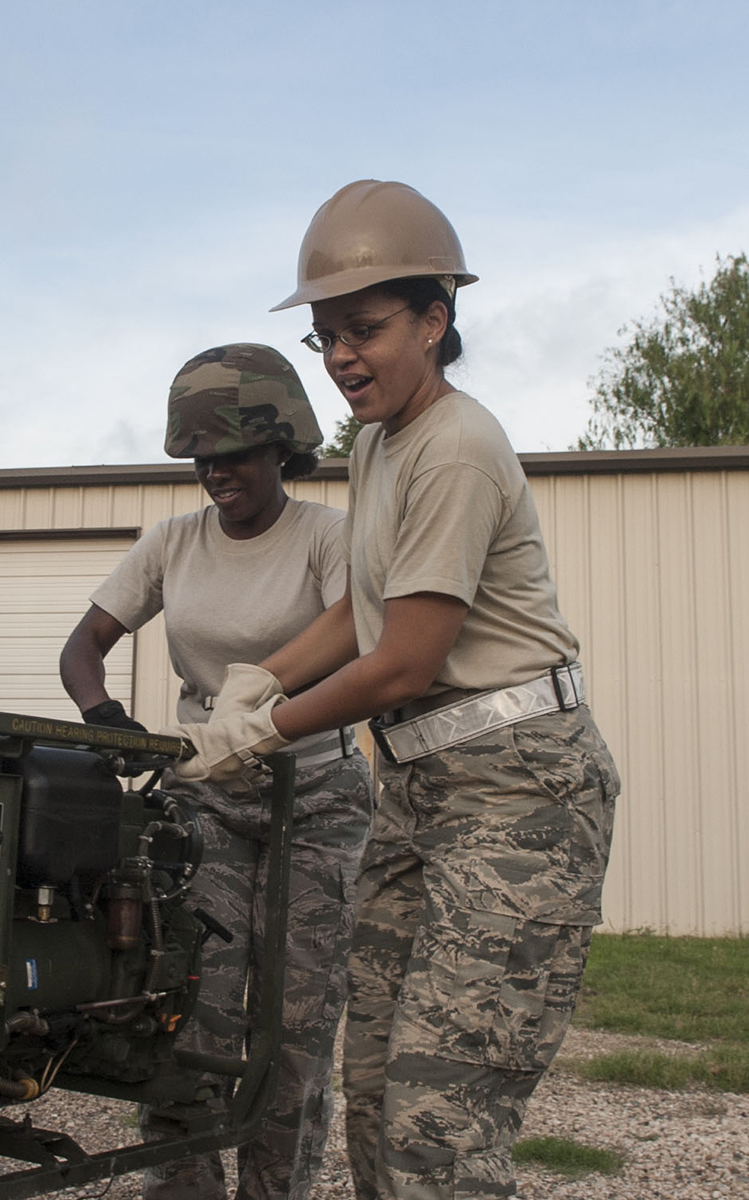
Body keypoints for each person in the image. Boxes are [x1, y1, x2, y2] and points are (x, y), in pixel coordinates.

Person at [163, 181, 620, 1200]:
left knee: (437, 1122)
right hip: (415, 792)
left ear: (435, 320)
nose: (341, 359)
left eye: (363, 331)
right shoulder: (378, 446)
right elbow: (367, 611)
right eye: (327, 337)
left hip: (518, 795)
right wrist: (261, 677)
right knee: (369, 1092)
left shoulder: (455, 445)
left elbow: (407, 658)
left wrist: (261, 732)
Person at [59, 344, 371, 1200]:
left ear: (282, 450)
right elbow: (84, 644)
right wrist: (104, 717)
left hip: (314, 793)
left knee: (296, 1024)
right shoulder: (172, 543)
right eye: (202, 457)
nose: (217, 473)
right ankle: (182, 1185)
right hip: (208, 795)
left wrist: (269, 716)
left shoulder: (328, 537)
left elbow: (357, 636)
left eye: (235, 454)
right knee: (187, 1004)